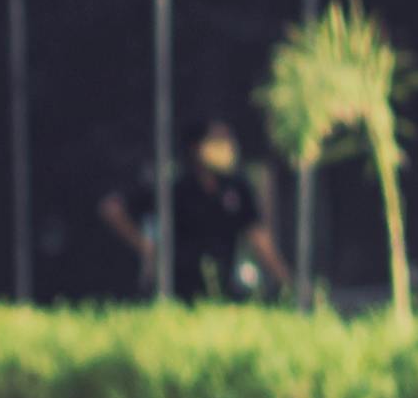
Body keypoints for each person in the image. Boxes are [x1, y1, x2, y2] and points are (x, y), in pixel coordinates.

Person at [95, 124, 290, 302]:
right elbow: (112, 208)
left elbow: (257, 235)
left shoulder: (237, 187)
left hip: (223, 287)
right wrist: (146, 247)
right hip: (177, 288)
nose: (226, 146)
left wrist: (284, 278)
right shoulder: (176, 188)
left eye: (227, 139)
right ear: (196, 148)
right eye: (216, 140)